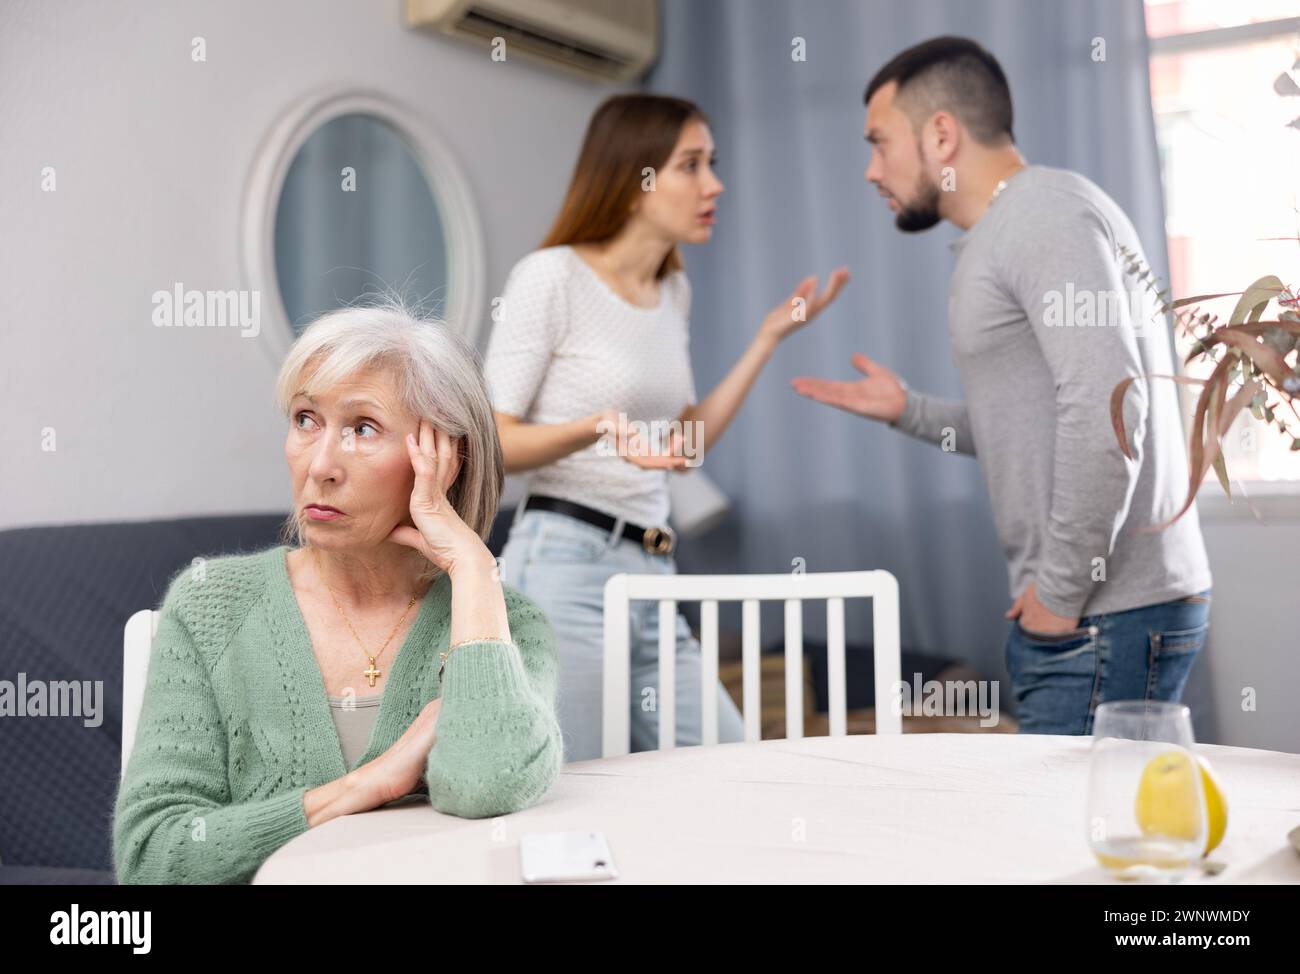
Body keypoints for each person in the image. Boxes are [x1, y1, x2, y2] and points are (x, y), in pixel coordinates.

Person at [793, 36, 1212, 735]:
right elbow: (1039, 424)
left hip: (1104, 613)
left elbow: (1110, 404)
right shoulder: (1028, 219)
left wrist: (1059, 594)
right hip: (1105, 610)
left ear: (941, 134)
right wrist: (911, 412)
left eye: (879, 142)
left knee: (1071, 837)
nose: (871, 170)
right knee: (1105, 832)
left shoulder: (1040, 217)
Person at [113, 302, 563, 884]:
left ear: (444, 458)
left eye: (363, 429)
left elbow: (486, 781)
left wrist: (474, 570)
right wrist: (364, 787)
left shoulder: (504, 625)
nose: (320, 464)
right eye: (305, 419)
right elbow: (153, 858)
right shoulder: (211, 608)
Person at [484, 93, 849, 761]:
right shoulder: (550, 278)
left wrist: (767, 339)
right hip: (564, 563)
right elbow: (493, 445)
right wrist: (596, 428)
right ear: (634, 178)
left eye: (712, 163)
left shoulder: (671, 292)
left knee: (728, 769)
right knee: (578, 787)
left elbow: (683, 448)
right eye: (691, 165)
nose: (715, 184)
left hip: (654, 569)